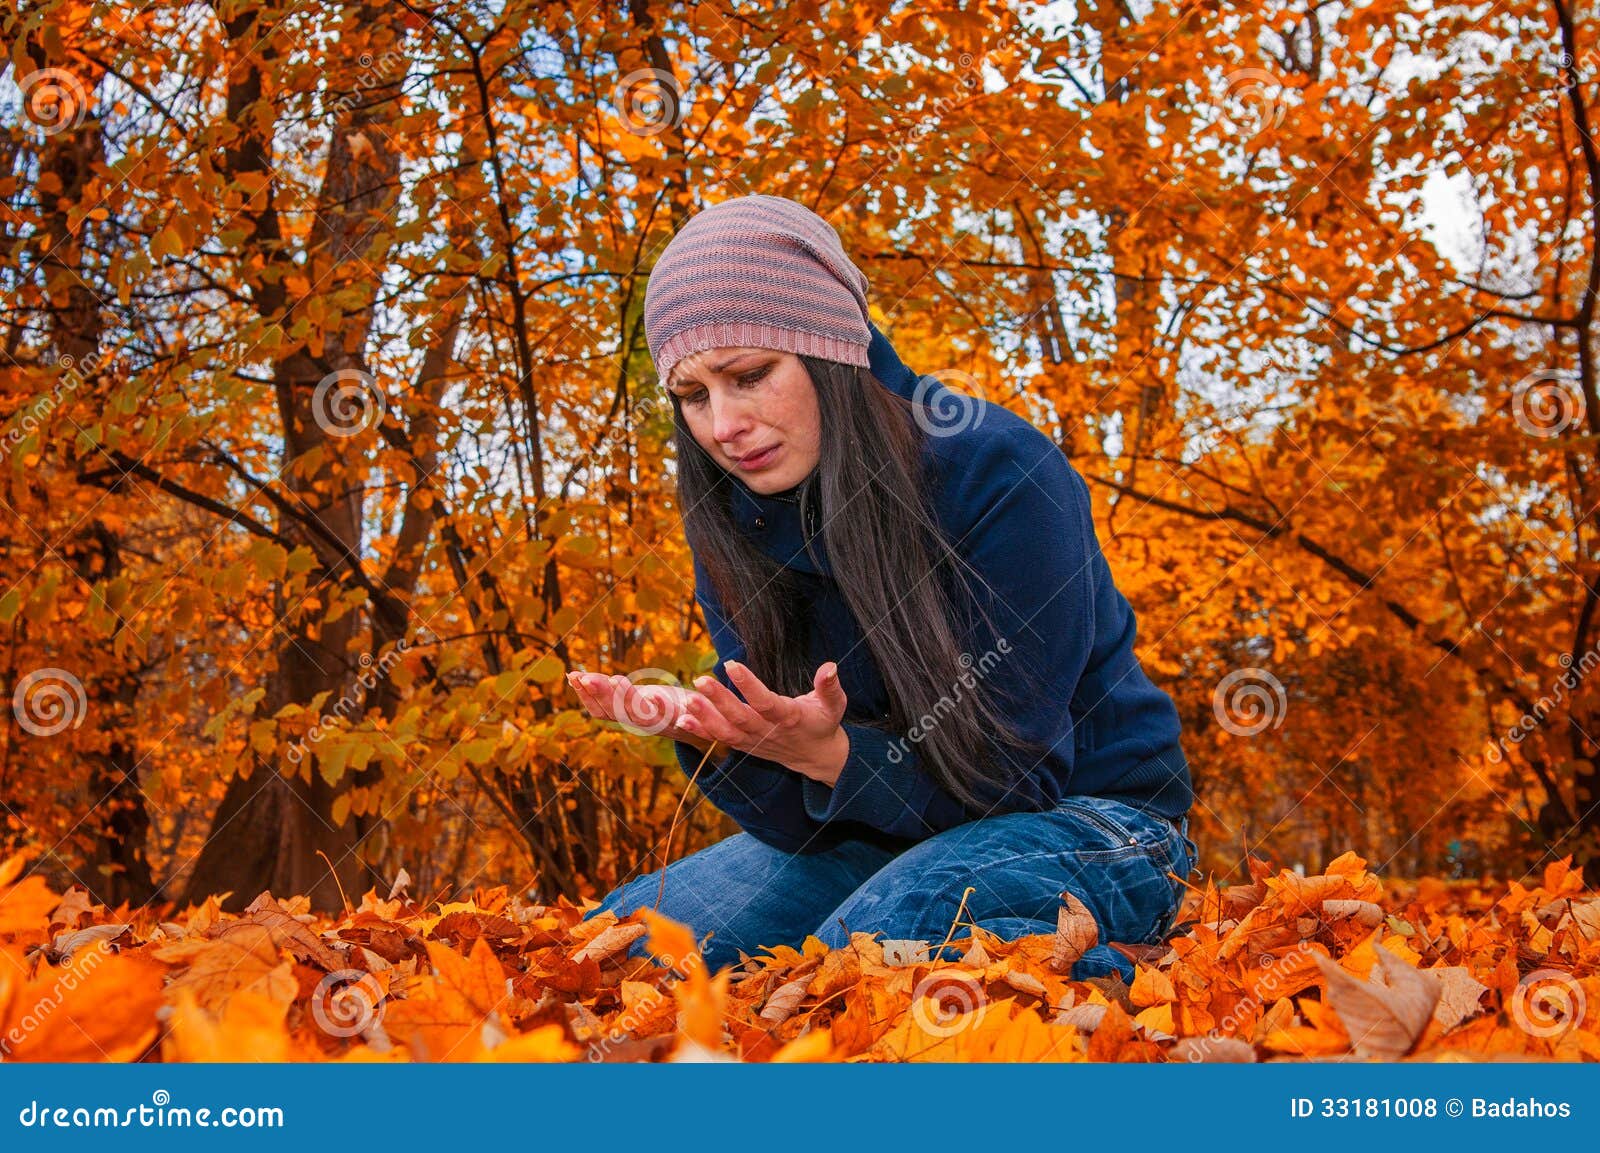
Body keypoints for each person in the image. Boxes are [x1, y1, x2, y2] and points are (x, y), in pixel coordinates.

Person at [568, 193, 1197, 982]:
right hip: (881, 834)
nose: (723, 425)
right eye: (694, 395)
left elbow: (1014, 779)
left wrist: (834, 755)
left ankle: (1112, 990)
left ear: (830, 349)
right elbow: (802, 828)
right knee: (613, 952)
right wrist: (731, 742)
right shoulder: (735, 525)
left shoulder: (1001, 474)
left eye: (750, 375)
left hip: (1098, 819)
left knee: (861, 958)